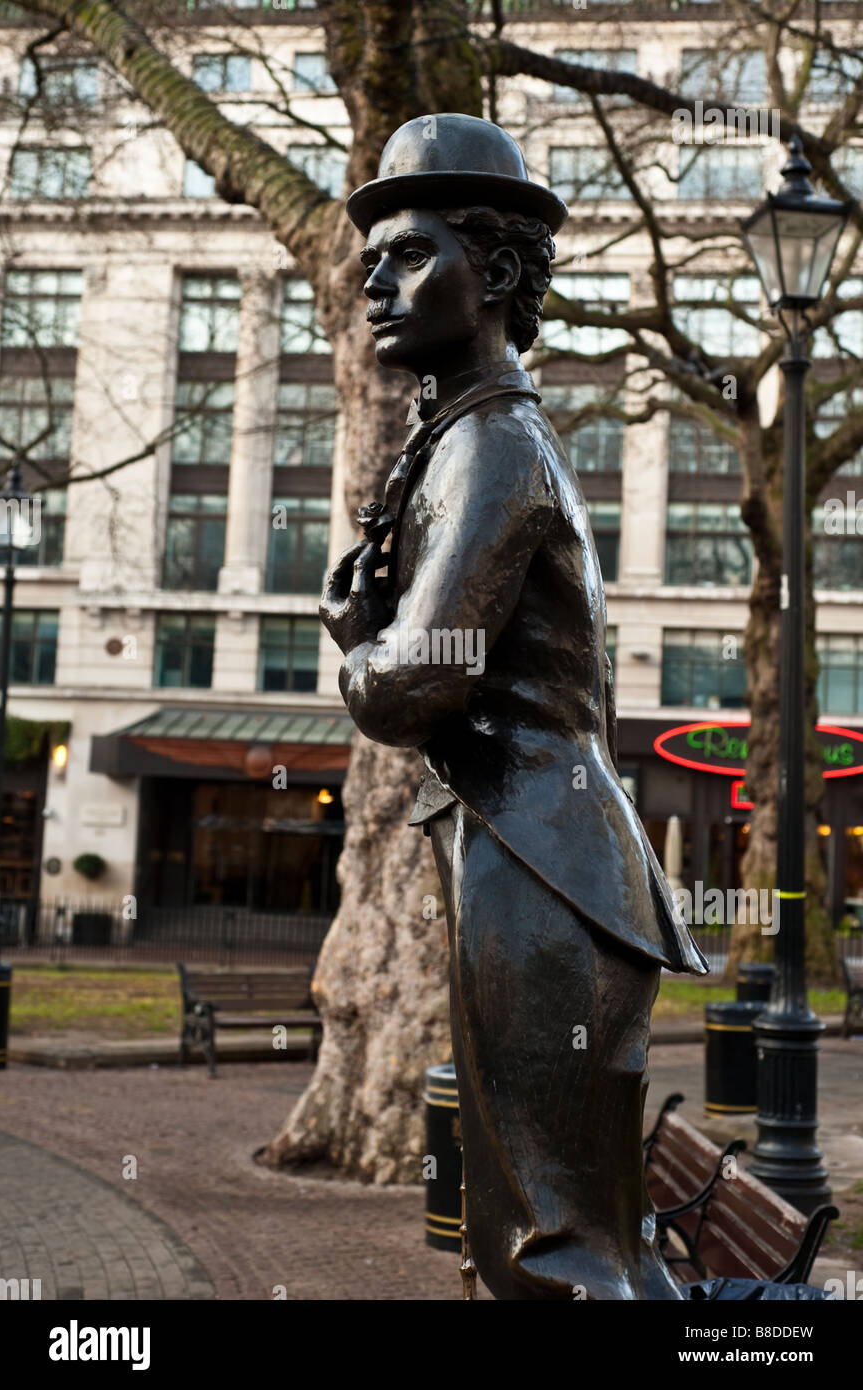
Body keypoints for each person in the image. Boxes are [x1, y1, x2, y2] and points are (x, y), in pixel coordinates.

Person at [320, 113, 708, 1300]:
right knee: (540, 1228)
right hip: (529, 852)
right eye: (369, 259)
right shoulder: (464, 441)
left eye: (410, 254)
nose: (374, 281)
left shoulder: (493, 444)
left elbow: (419, 679)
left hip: (544, 864)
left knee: (556, 1246)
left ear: (491, 274)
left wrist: (357, 662)